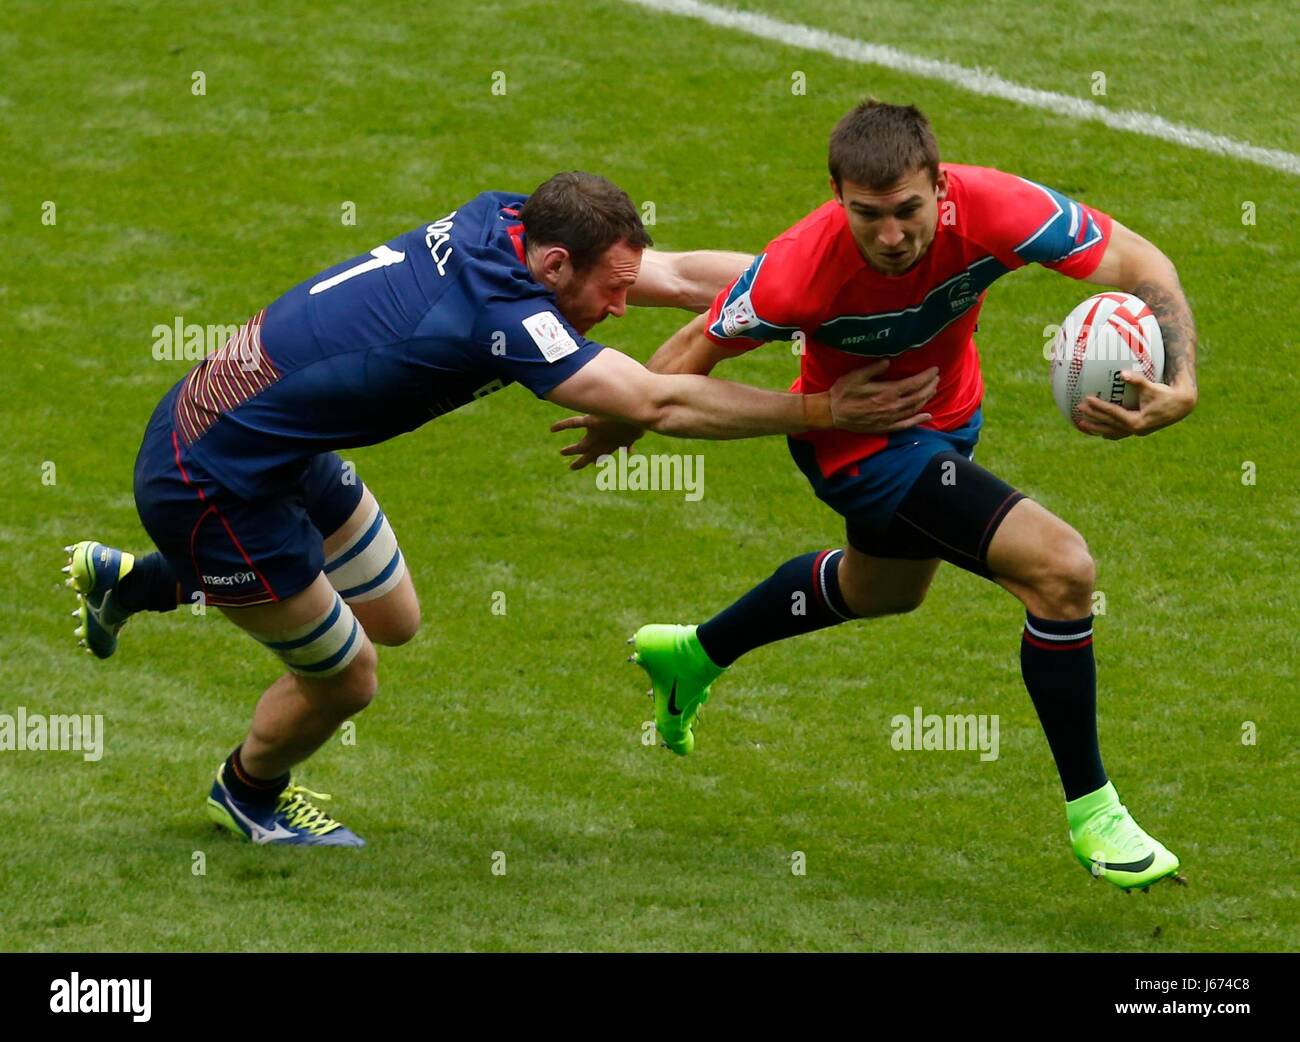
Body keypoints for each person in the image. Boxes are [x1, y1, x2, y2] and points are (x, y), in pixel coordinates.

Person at [63, 171, 890, 847]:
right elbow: (658, 402)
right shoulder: (503, 317)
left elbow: (675, 277)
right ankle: (247, 792)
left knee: (393, 618)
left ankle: (140, 583)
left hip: (269, 442)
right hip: (210, 482)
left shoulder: (510, 221)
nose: (621, 309)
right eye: (610, 292)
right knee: (348, 675)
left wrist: (831, 289)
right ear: (555, 265)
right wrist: (824, 410)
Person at [559, 102, 1198, 891]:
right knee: (1062, 570)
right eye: (867, 215)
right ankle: (1096, 814)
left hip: (950, 422)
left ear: (941, 188)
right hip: (857, 447)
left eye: (907, 211)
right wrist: (622, 421)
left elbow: (1142, 262)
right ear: (837, 197)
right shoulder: (798, 271)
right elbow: (693, 349)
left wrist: (1182, 380)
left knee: (882, 591)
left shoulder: (999, 209)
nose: (891, 236)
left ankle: (692, 655)